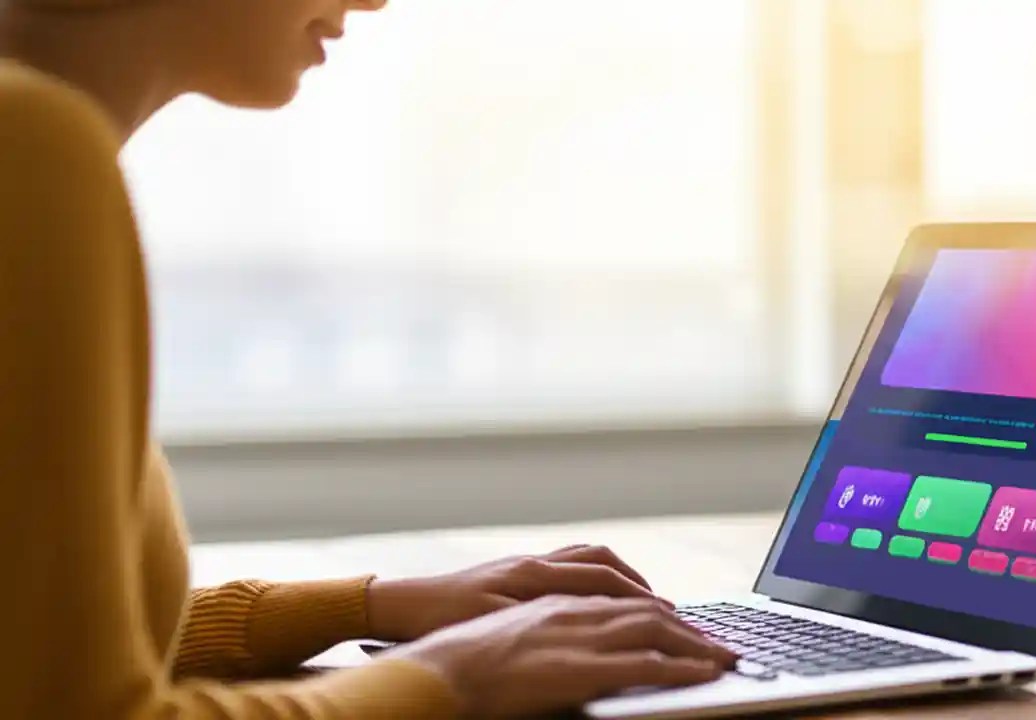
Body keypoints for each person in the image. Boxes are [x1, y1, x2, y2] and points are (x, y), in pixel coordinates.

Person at [0, 1, 735, 717]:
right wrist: (455, 679)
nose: (375, 0)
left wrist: (365, 605)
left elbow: (35, 653)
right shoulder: (27, 145)